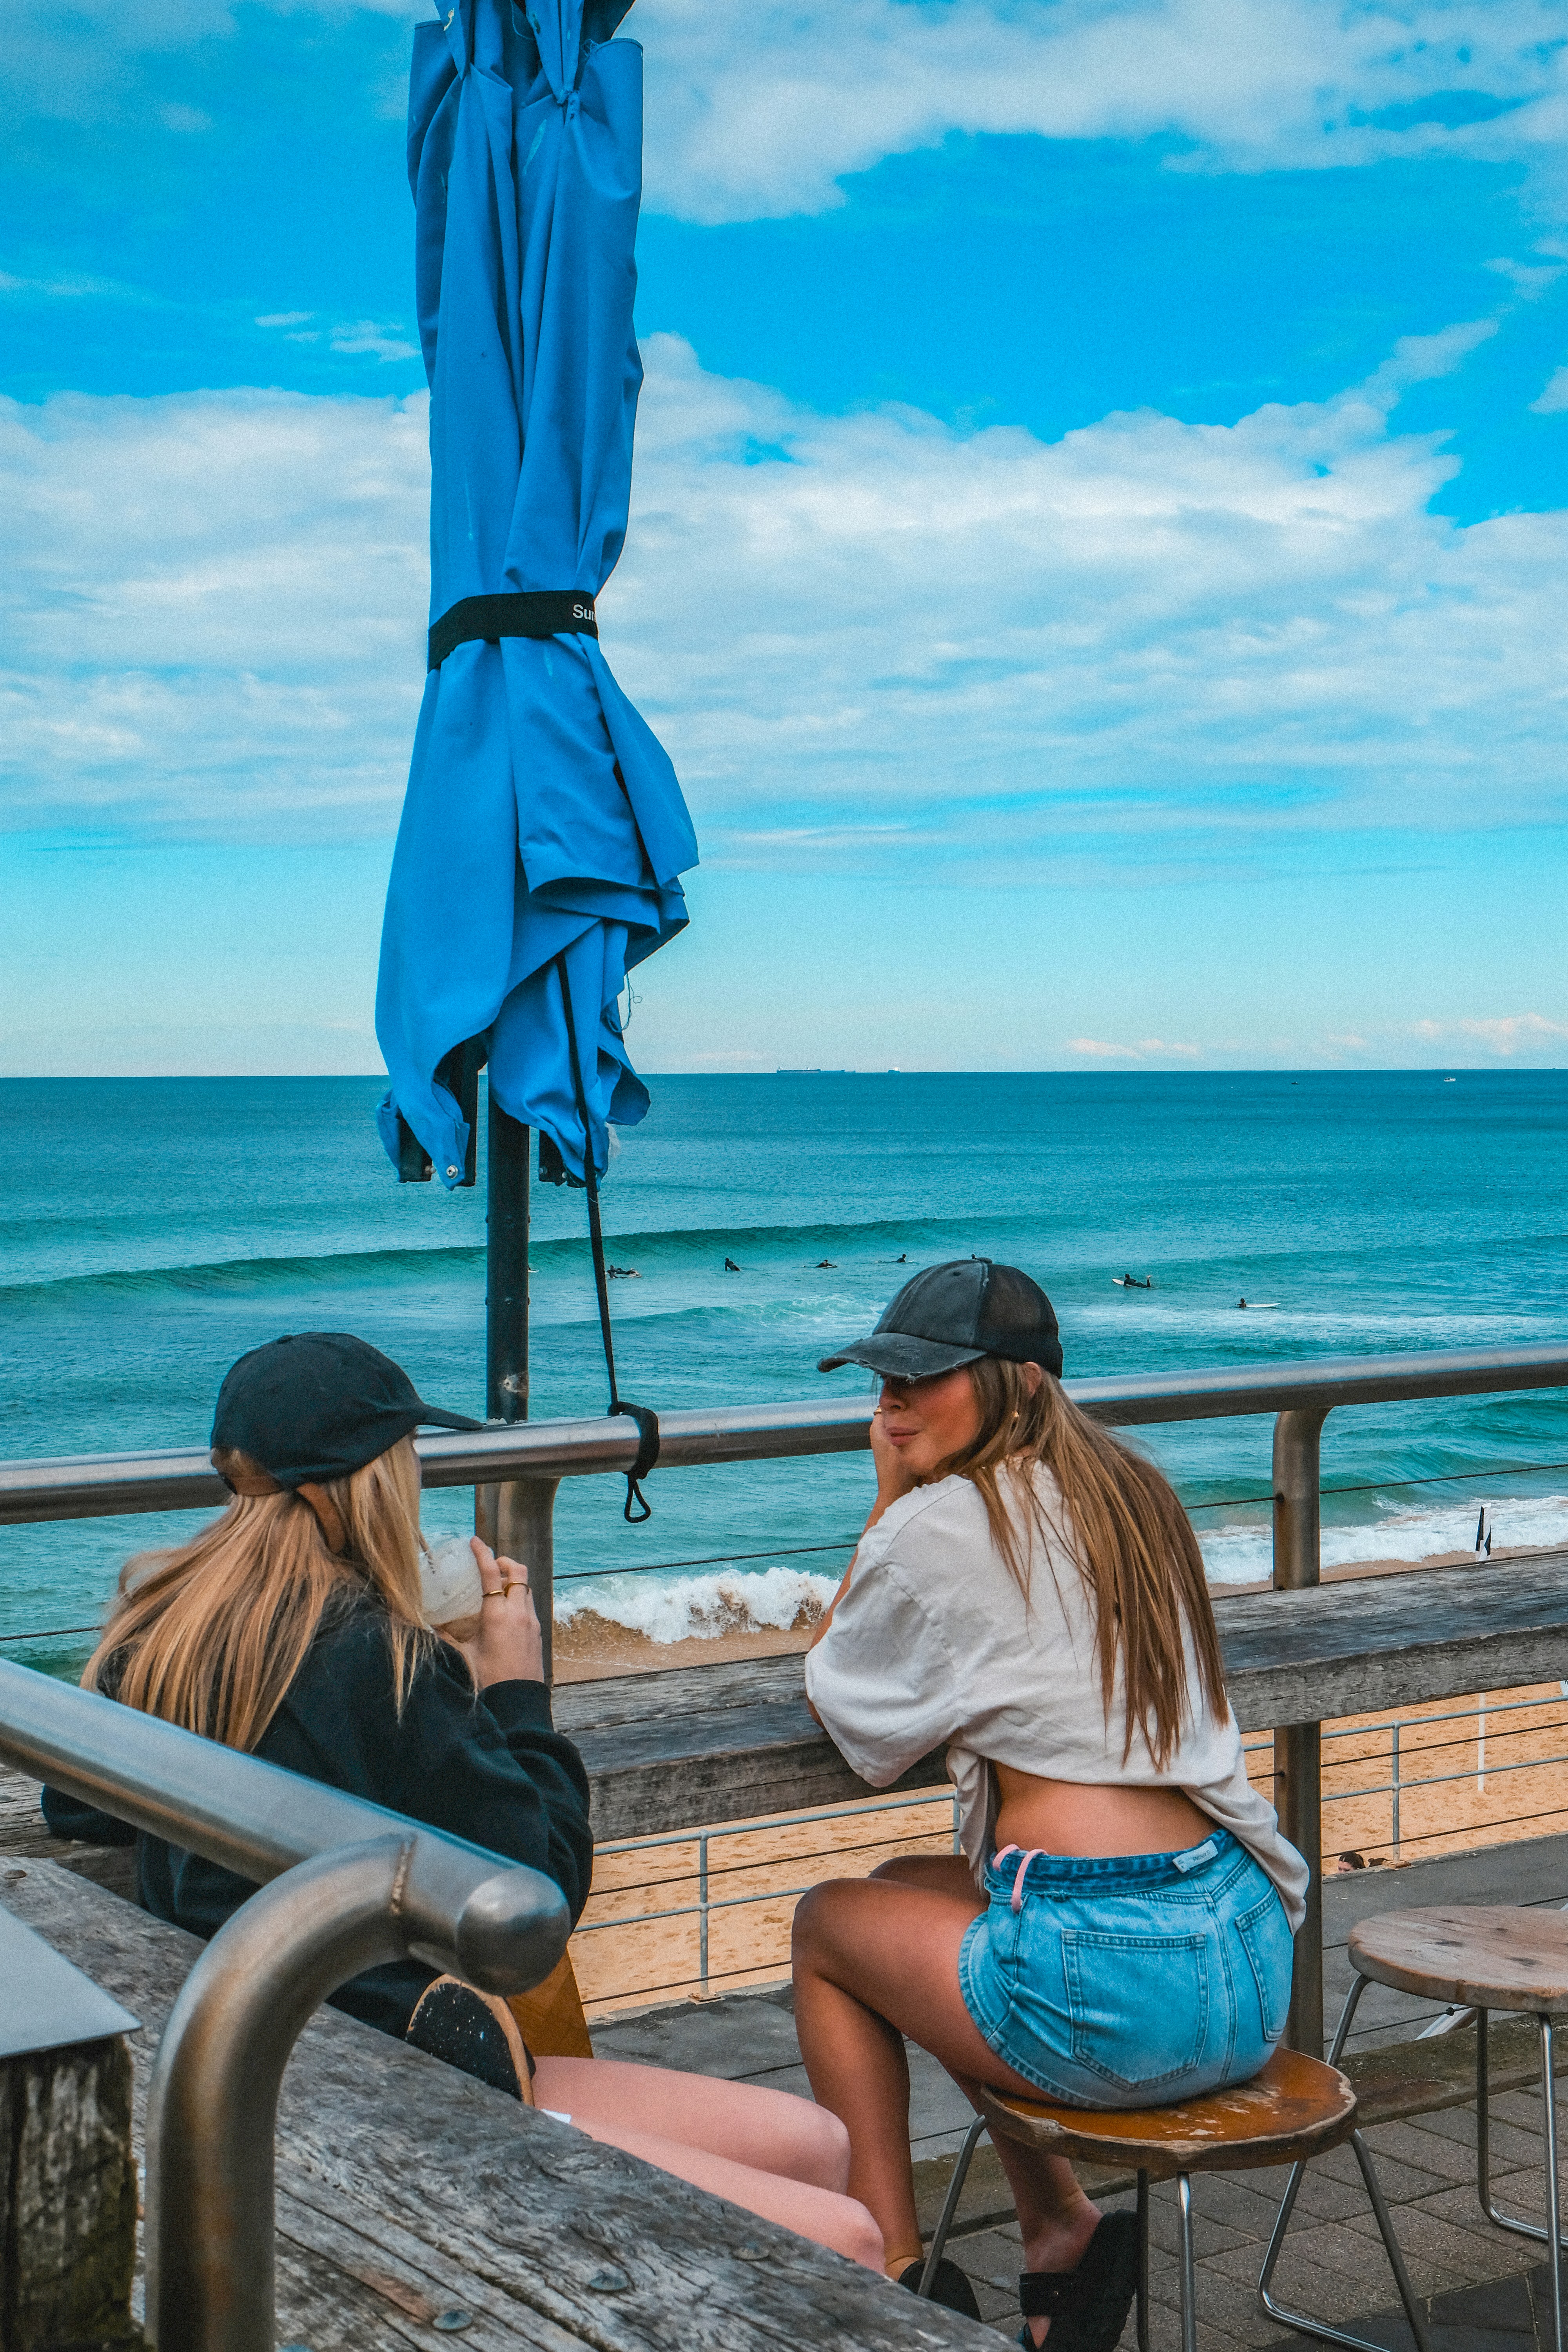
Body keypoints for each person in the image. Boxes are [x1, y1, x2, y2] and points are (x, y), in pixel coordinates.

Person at [42, 1331, 881, 2272]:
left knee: (819, 2145)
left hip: (269, 2069)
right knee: (845, 2237)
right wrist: (513, 1694)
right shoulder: (387, 1663)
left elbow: (76, 1810)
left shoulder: (160, 1634)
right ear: (356, 1485)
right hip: (397, 2102)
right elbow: (538, 1898)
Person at [793, 1262, 1306, 2345]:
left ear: (1017, 1387)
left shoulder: (939, 1526)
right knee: (901, 1896)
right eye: (880, 1381)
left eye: (916, 1382)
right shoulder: (1135, 1492)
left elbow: (851, 1707)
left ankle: (889, 2283)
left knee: (827, 1930)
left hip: (1109, 1988)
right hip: (1249, 1958)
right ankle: (1058, 2233)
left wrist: (886, 1509)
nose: (886, 1406)